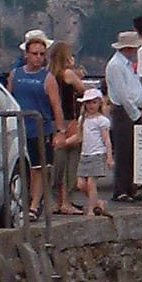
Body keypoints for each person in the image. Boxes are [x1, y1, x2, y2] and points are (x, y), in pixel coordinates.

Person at [6, 30, 55, 218]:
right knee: (19, 167)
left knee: (38, 168)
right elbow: (9, 98)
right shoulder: (15, 73)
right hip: (19, 129)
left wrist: (59, 130)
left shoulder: (48, 77)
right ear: (26, 54)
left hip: (39, 129)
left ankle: (34, 205)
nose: (38, 58)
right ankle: (21, 201)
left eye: (42, 54)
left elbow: (55, 105)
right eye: (35, 54)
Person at [104, 30, 142, 202]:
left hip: (130, 110)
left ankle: (129, 187)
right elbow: (122, 94)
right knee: (124, 151)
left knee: (131, 151)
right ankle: (121, 189)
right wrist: (136, 114)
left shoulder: (125, 65)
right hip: (124, 111)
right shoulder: (116, 66)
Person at [46, 41, 86, 215]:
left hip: (53, 122)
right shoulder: (68, 74)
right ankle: (67, 201)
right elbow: (83, 90)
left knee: (56, 164)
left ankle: (57, 201)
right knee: (71, 163)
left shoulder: (48, 75)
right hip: (69, 120)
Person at [77, 88, 113, 216]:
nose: (91, 106)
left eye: (94, 102)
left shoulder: (102, 121)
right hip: (85, 154)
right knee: (81, 184)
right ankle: (98, 202)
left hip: (97, 154)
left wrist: (109, 157)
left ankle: (91, 210)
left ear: (99, 104)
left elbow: (107, 140)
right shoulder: (82, 119)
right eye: (88, 103)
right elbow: (79, 136)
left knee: (91, 183)